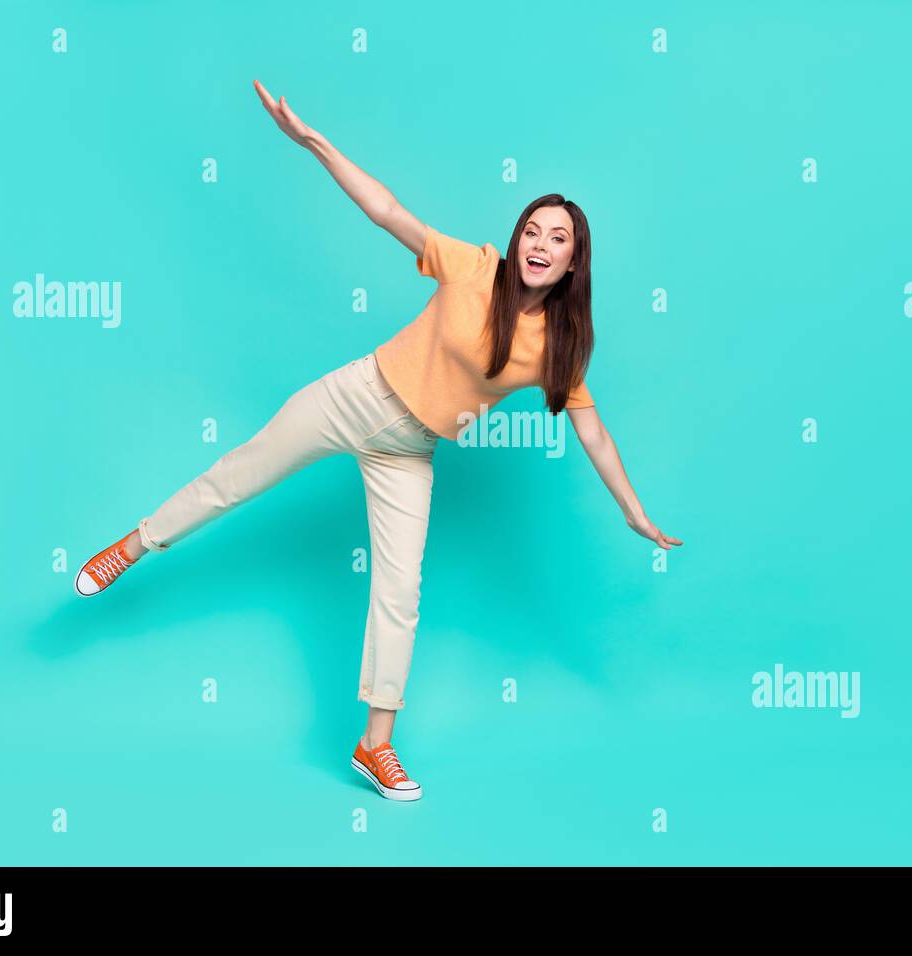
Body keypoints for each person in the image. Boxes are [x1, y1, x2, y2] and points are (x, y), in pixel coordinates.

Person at [73, 79, 683, 801]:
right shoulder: (473, 266)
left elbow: (596, 434)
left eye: (558, 239)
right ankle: (133, 545)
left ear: (574, 262)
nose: (539, 244)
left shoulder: (560, 347)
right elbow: (386, 209)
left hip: (409, 452)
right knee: (235, 477)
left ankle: (375, 744)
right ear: (516, 235)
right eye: (533, 229)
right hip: (354, 396)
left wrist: (631, 508)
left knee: (400, 591)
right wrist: (315, 144)